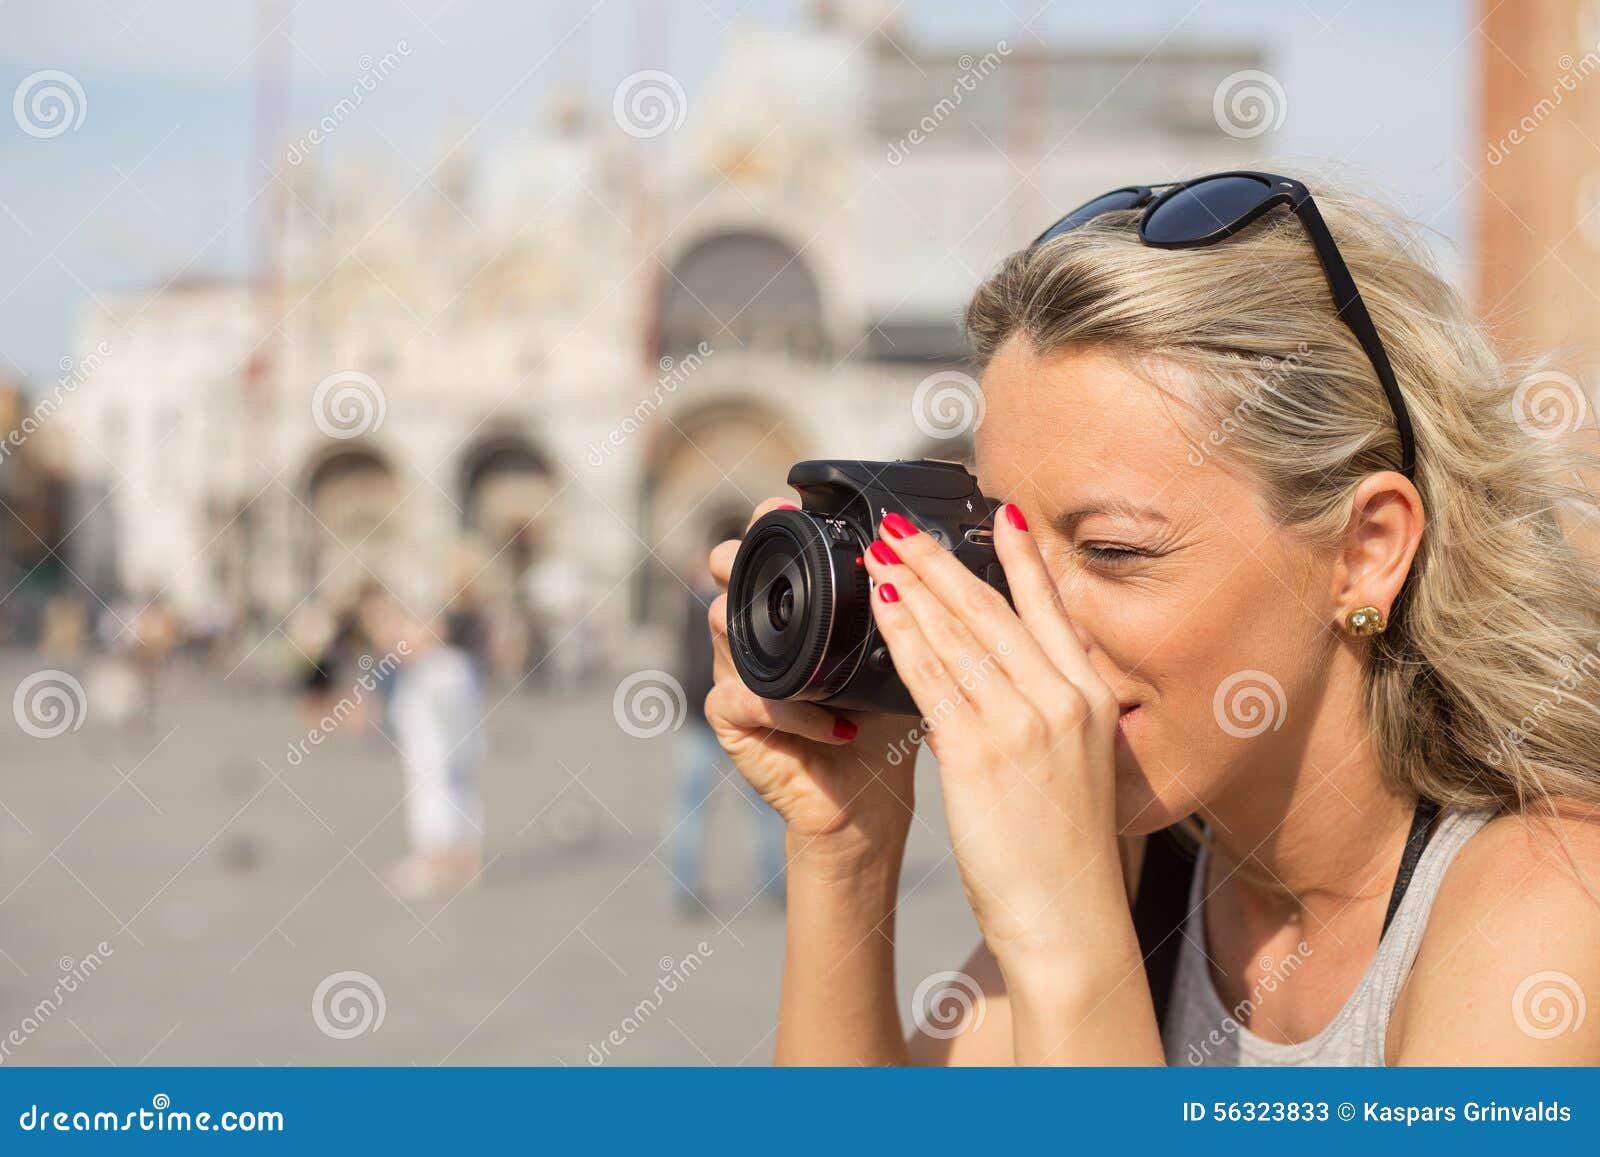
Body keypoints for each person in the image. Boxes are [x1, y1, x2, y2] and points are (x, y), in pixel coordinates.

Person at [703, 172, 1600, 1065]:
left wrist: (1064, 934)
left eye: (1113, 552)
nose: (1027, 621)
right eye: (1000, 547)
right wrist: (845, 848)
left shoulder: (1547, 902)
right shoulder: (1147, 868)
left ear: (1365, 550)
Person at [669, 521, 786, 915]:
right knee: (760, 803)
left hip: (703, 712)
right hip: (741, 712)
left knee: (694, 805)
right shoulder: (752, 597)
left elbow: (683, 654)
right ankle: (772, 882)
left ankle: (683, 887)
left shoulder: (693, 597)